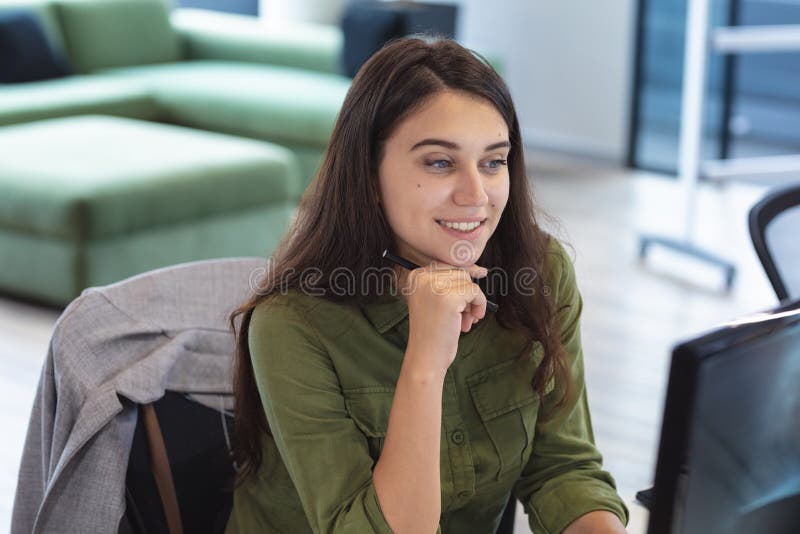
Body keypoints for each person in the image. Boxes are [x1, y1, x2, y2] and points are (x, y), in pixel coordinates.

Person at [225, 37, 629, 534]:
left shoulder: (540, 273)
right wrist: (425, 361)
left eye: (493, 161)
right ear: (369, 175)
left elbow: (564, 468)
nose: (476, 196)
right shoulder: (292, 325)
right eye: (440, 162)